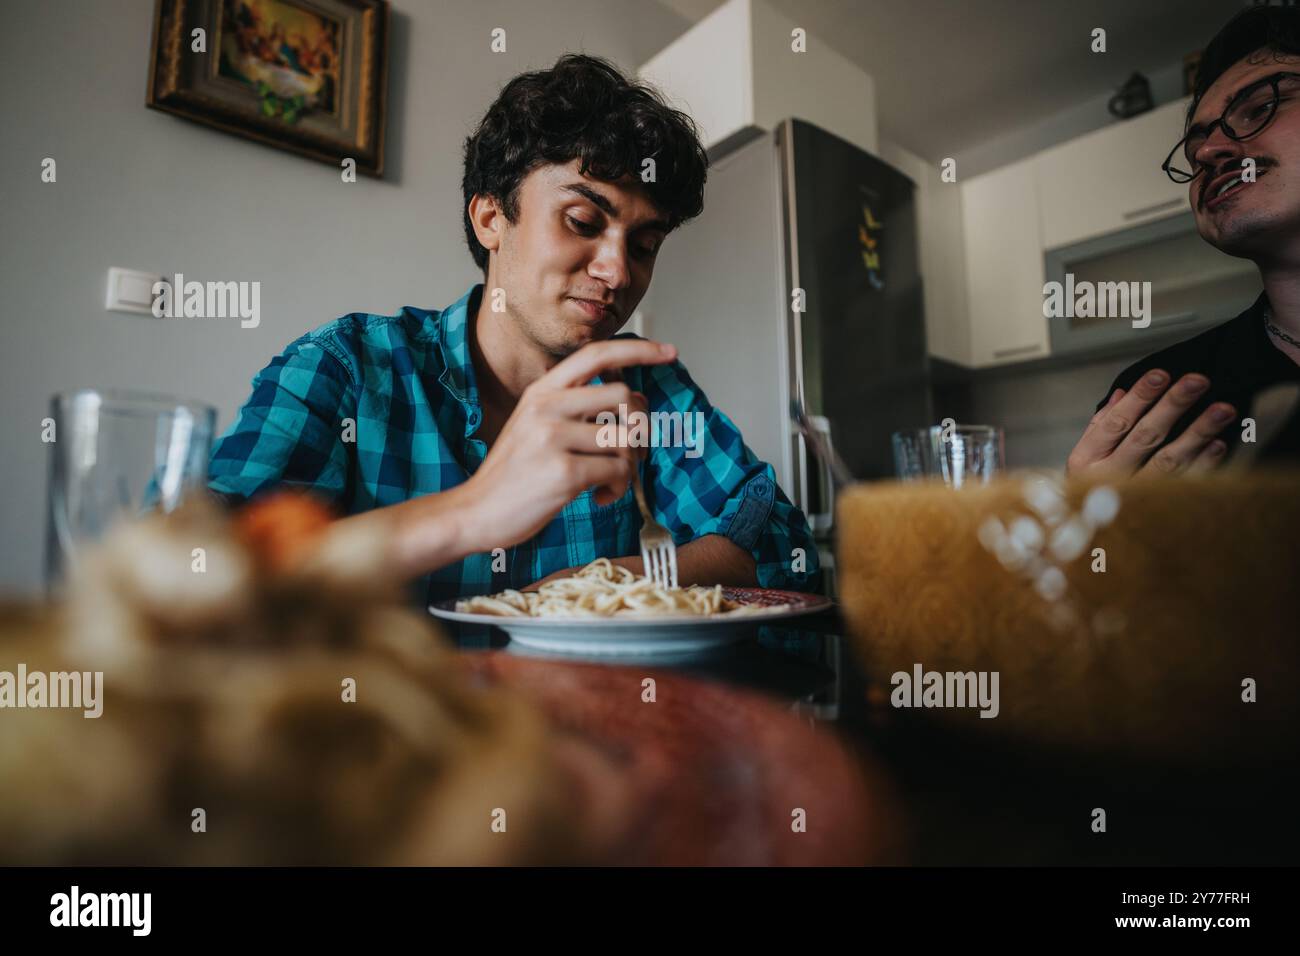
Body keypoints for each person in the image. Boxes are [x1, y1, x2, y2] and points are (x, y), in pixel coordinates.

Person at [208, 54, 820, 604]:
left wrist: (597, 585)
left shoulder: (644, 386)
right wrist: (470, 513)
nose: (617, 272)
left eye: (644, 245)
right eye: (582, 220)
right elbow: (198, 579)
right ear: (491, 217)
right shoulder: (344, 369)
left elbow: (784, 553)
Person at [1067, 6, 1300, 477]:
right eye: (1195, 152)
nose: (1209, 153)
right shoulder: (1156, 400)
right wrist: (1097, 534)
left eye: (1259, 108)